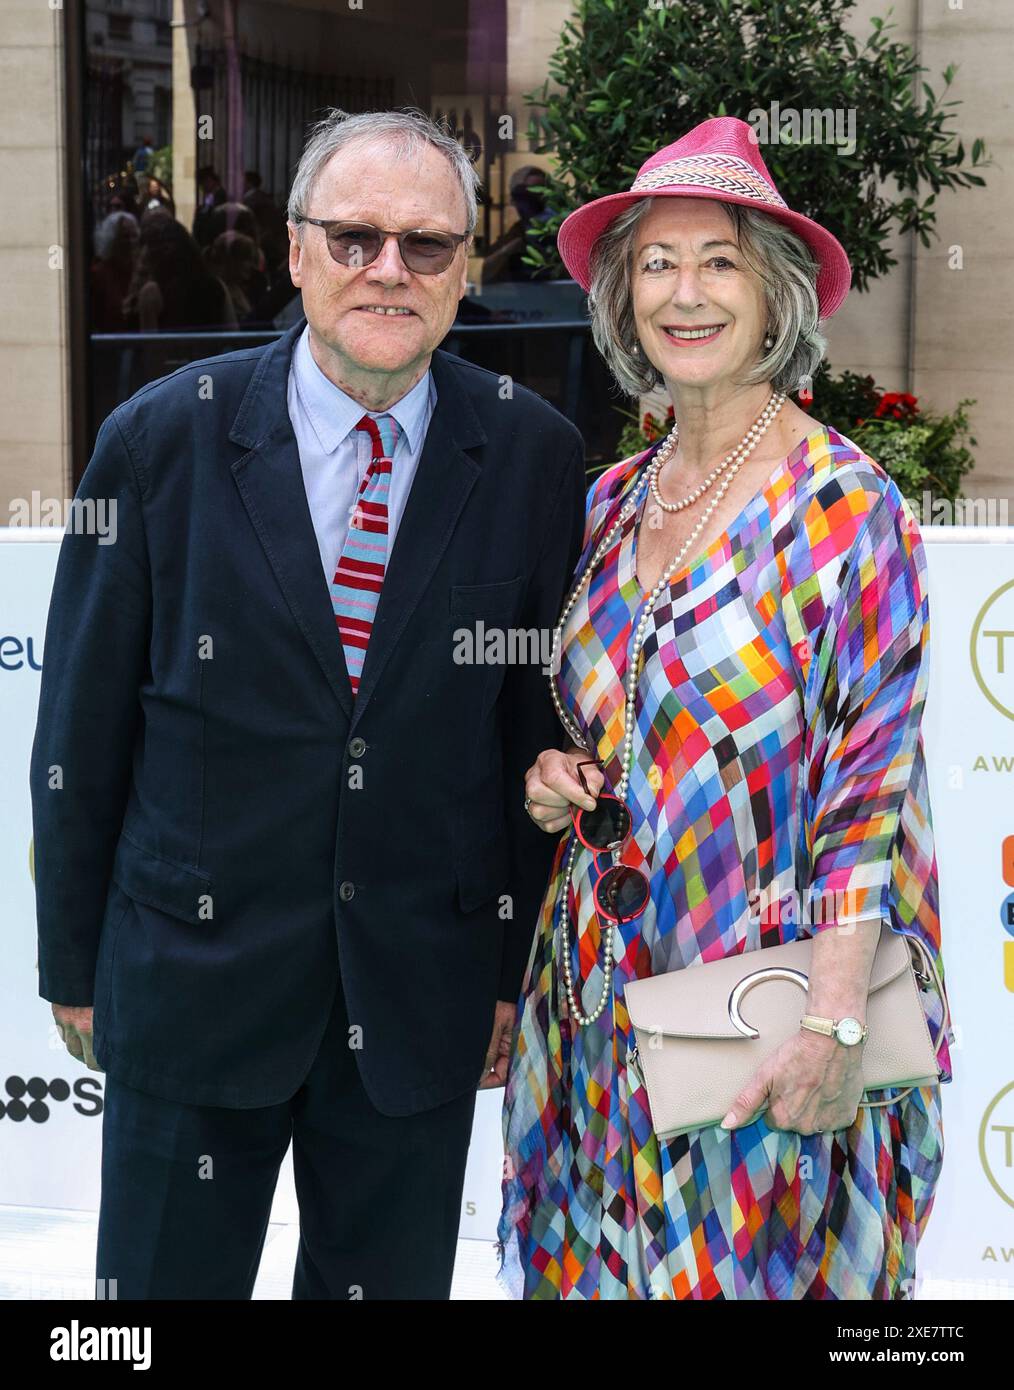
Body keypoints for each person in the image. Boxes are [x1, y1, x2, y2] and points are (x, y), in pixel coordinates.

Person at [30, 107, 586, 1300]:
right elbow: (79, 728)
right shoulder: (157, 440)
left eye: (426, 245)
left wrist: (505, 973)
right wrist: (75, 963)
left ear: (462, 268)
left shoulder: (531, 451)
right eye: (354, 238)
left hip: (417, 995)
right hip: (192, 985)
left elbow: (528, 735)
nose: (389, 269)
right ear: (295, 252)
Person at [497, 116, 954, 1301]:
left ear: (777, 294)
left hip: (764, 1006)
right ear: (621, 295)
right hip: (596, 995)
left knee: (743, 1273)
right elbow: (603, 708)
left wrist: (837, 1028)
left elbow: (870, 792)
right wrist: (559, 773)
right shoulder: (606, 500)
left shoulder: (848, 508)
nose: (683, 293)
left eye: (718, 262)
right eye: (656, 263)